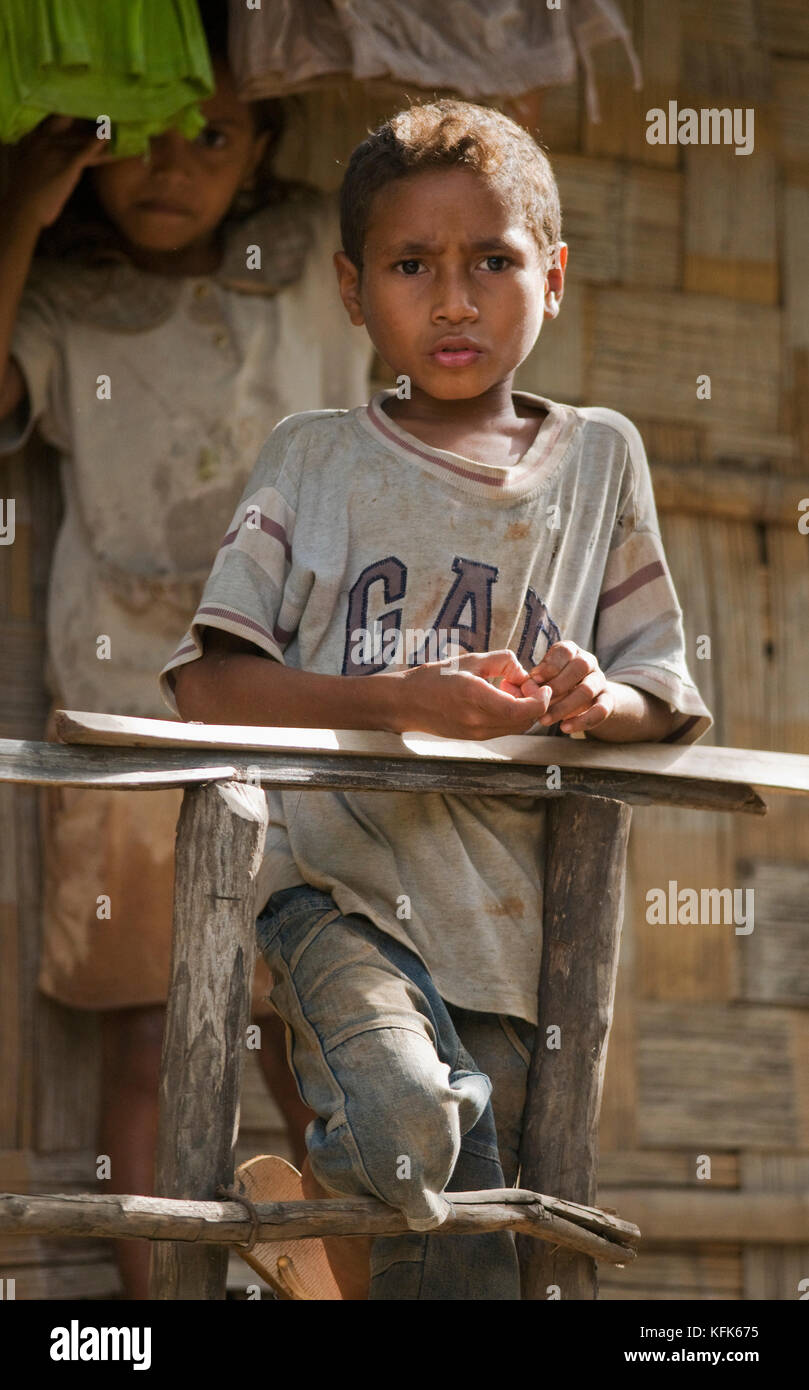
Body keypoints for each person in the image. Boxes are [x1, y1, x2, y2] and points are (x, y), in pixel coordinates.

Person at [159, 97, 714, 1301]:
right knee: (412, 1122)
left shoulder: (601, 457)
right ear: (357, 293)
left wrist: (590, 696)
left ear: (552, 276)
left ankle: (317, 1239)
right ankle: (304, 1200)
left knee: (472, 1258)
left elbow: (661, 689)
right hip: (338, 896)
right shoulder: (313, 459)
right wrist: (386, 699)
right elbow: (209, 680)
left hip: (518, 934)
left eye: (491, 263)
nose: (453, 300)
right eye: (413, 266)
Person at [0, 32, 372, 1298]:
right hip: (125, 727)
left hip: (313, 726)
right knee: (157, 1040)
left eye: (212, 134)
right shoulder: (56, 300)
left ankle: (339, 1292)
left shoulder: (322, 276)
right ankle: (159, 1318)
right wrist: (19, 215)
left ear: (262, 147)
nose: (171, 166)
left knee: (322, 1040)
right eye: (137, 134)